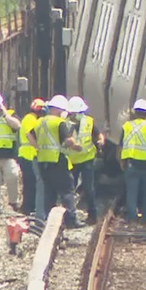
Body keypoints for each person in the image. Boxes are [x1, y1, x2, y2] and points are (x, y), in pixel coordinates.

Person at [27, 95, 86, 229]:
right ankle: (71, 220)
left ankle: (49, 222)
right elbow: (68, 140)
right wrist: (76, 146)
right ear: (60, 110)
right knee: (67, 190)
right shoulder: (59, 122)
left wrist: (38, 147)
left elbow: (29, 135)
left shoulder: (40, 121)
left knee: (49, 192)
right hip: (57, 161)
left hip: (43, 161)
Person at [119, 99, 146, 222]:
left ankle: (132, 217)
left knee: (132, 192)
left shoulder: (126, 126)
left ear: (134, 112)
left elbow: (120, 146)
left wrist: (121, 161)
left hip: (131, 164)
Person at [67, 96, 105, 224]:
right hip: (71, 160)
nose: (78, 116)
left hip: (87, 158)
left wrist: (101, 140)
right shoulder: (64, 123)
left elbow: (98, 134)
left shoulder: (89, 121)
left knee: (89, 188)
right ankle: (70, 215)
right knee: (70, 189)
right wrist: (72, 146)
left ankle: (92, 215)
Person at [18, 98, 46, 220]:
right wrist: (38, 148)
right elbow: (30, 135)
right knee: (30, 182)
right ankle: (28, 207)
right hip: (28, 155)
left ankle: (30, 206)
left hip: (29, 154)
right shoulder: (30, 119)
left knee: (32, 182)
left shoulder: (31, 119)